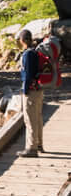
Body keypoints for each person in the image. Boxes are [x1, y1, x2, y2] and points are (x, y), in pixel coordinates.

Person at [18, 19, 59, 156]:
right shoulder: (35, 51)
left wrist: (24, 90)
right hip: (39, 89)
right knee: (38, 117)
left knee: (29, 119)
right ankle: (39, 144)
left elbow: (28, 74)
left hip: (31, 90)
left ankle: (31, 148)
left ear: (22, 40)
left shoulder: (28, 54)